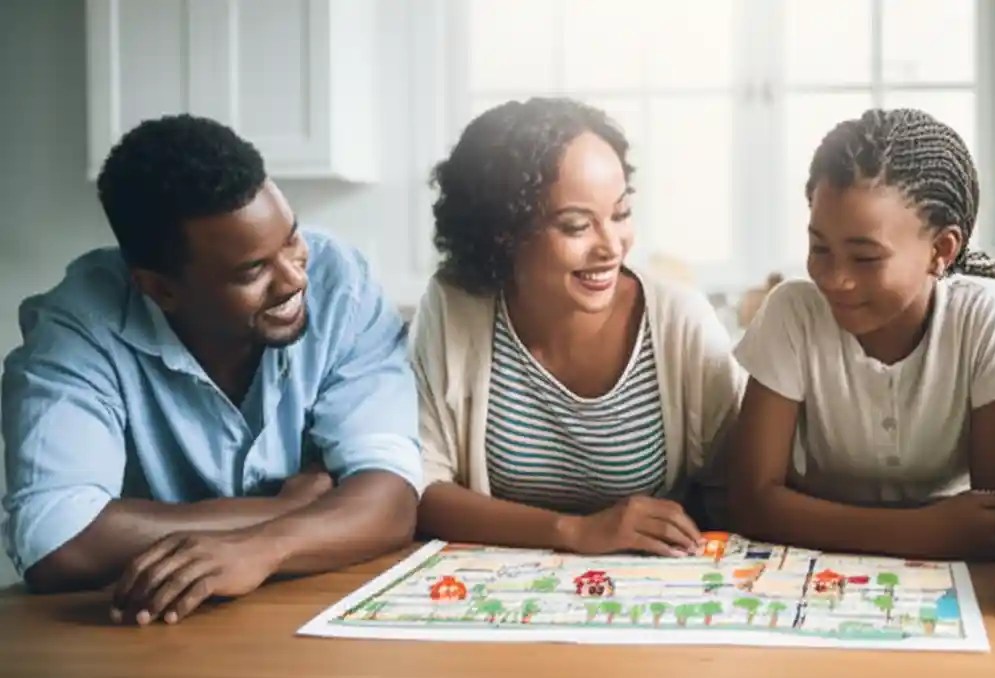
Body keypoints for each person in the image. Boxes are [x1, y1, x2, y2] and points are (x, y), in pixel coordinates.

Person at [1, 114, 422, 624]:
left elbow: (391, 503)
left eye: (291, 239)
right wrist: (285, 511)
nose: (293, 279)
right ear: (161, 289)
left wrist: (265, 548)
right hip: (146, 637)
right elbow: (59, 543)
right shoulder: (78, 326)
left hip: (312, 612)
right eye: (253, 270)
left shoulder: (340, 286)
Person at [411, 98, 744, 557]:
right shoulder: (454, 309)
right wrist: (574, 531)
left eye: (621, 214)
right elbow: (421, 488)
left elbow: (741, 492)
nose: (611, 246)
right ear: (503, 231)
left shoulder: (680, 323)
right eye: (575, 226)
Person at [728, 108, 995, 560]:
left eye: (865, 258)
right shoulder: (792, 313)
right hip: (812, 573)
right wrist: (928, 530)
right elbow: (750, 502)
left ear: (941, 250)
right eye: (820, 248)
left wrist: (805, 516)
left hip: (954, 582)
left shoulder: (990, 317)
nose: (835, 279)